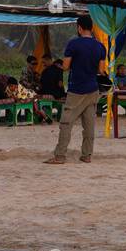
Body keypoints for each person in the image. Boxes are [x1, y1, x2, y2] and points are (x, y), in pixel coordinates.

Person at [45, 15, 107, 165]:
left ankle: (60, 156)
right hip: (93, 89)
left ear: (79, 28)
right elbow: (101, 70)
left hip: (76, 89)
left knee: (66, 123)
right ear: (91, 28)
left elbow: (66, 66)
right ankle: (87, 155)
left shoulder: (73, 44)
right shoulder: (100, 47)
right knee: (89, 124)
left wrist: (63, 66)